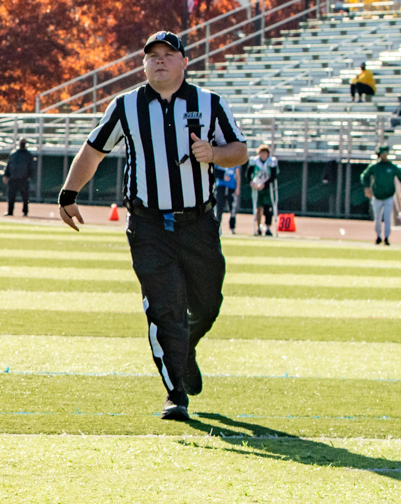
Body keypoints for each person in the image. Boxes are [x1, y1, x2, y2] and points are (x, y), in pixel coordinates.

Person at [58, 30, 248, 422]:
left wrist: (212, 153)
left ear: (183, 61)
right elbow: (94, 150)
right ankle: (175, 391)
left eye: (168, 54)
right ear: (144, 64)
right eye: (152, 55)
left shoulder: (209, 103)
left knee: (207, 304)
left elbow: (240, 152)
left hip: (198, 223)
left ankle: (187, 346)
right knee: (164, 309)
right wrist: (69, 192)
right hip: (147, 226)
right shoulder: (126, 106)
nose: (159, 60)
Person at [361, 145, 399, 246]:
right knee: (377, 218)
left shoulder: (392, 167)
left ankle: (386, 238)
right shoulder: (375, 166)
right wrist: (367, 188)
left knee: (387, 218)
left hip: (389, 196)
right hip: (377, 196)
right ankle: (378, 236)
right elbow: (364, 176)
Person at [247, 145, 279, 236]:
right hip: (257, 187)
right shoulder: (255, 161)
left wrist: (265, 184)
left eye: (265, 153)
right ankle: (258, 227)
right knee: (258, 208)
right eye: (262, 153)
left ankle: (268, 227)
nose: (263, 155)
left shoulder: (271, 161)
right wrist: (252, 182)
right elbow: (248, 173)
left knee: (268, 207)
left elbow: (274, 176)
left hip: (267, 187)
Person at [2, 138, 35, 217]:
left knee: (25, 197)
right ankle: (10, 211)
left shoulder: (28, 155)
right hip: (13, 178)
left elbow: (31, 167)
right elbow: (9, 165)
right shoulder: (13, 154)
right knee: (11, 196)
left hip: (23, 179)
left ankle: (25, 211)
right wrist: (6, 175)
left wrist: (30, 176)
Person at [212, 164, 240, 234]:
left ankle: (232, 227)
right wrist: (222, 176)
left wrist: (238, 187)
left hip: (231, 187)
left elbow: (237, 174)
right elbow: (214, 171)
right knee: (219, 208)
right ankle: (217, 227)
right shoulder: (218, 159)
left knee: (232, 208)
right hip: (221, 187)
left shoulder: (234, 160)